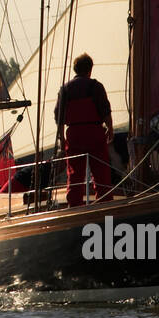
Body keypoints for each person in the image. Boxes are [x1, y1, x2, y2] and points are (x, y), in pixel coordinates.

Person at [54, 53, 114, 206]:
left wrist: (62, 139)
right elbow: (105, 110)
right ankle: (104, 204)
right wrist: (110, 128)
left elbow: (59, 118)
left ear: (75, 69)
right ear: (90, 69)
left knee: (74, 174)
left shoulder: (65, 90)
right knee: (101, 172)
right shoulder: (96, 87)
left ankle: (74, 206)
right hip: (94, 132)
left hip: (74, 134)